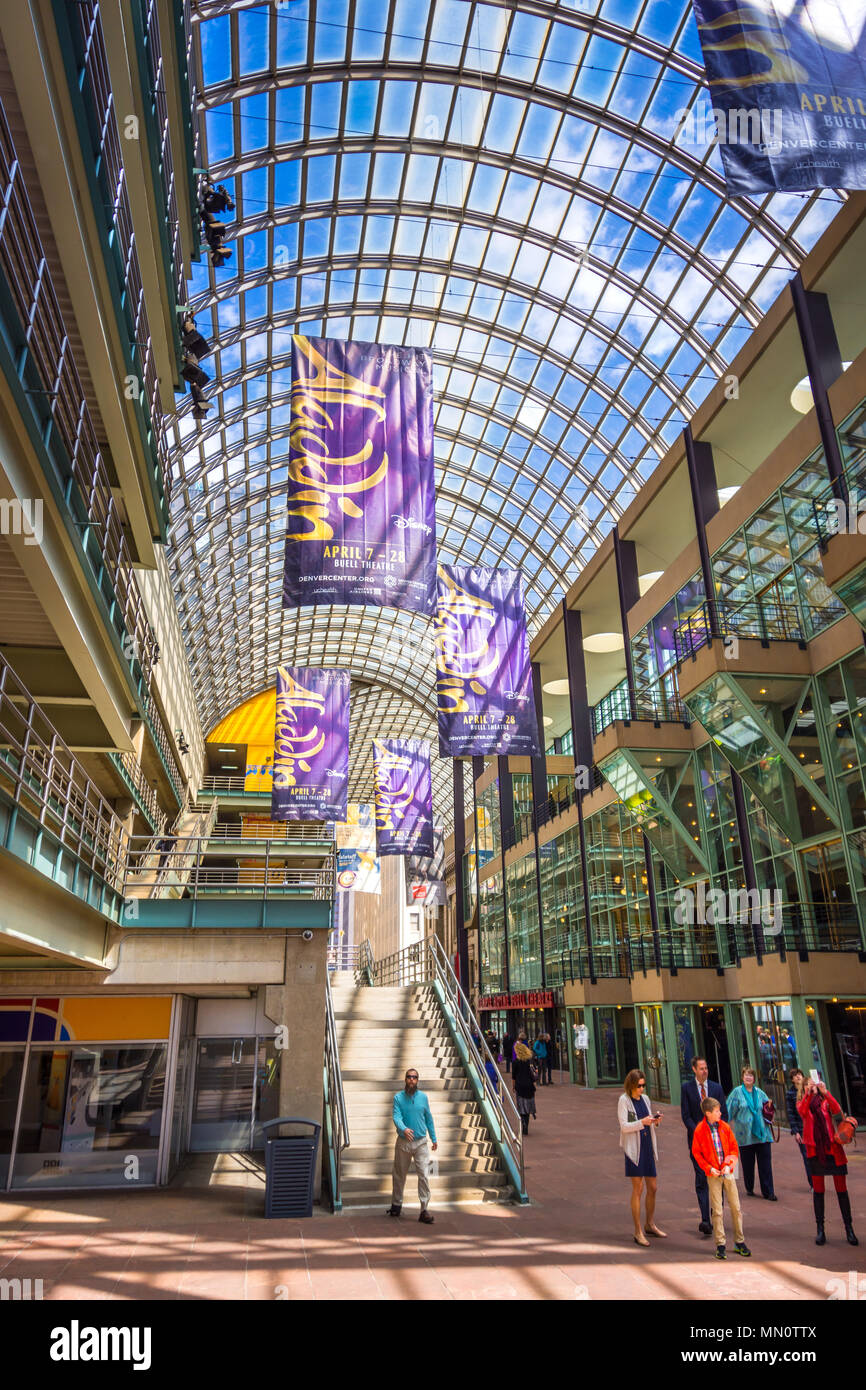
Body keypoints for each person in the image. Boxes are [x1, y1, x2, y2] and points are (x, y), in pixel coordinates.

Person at [797, 1076, 858, 1246]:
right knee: (819, 1191)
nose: (812, 1085)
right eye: (808, 1083)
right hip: (815, 1151)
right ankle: (820, 1229)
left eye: (813, 1082)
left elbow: (837, 1110)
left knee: (842, 1191)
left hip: (832, 1148)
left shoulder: (825, 1101)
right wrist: (809, 1094)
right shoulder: (803, 1102)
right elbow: (802, 1112)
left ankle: (849, 1229)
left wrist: (825, 1092)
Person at [691, 1096, 751, 1259]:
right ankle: (721, 1244)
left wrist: (728, 1165)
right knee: (717, 1210)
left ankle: (739, 1241)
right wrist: (709, 1168)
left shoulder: (724, 1127)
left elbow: (733, 1148)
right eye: (717, 1111)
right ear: (708, 1113)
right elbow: (697, 1153)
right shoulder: (699, 1130)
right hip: (713, 1174)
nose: (720, 1113)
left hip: (727, 1171)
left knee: (736, 1208)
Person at [681, 1056, 729, 1236]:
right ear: (694, 1069)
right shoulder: (687, 1088)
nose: (704, 1071)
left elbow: (723, 1114)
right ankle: (705, 1219)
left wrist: (715, 1130)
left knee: (717, 1180)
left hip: (717, 1143)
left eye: (706, 1068)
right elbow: (686, 1115)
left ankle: (716, 1215)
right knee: (701, 1179)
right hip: (697, 1143)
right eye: (701, 1068)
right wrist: (699, 1132)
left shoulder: (716, 1088)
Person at [618, 1068, 666, 1247]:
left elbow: (648, 1120)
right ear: (631, 1085)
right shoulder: (624, 1100)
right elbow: (624, 1126)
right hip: (634, 1149)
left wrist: (655, 1121)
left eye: (644, 1085)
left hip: (647, 1146)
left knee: (653, 1187)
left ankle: (650, 1223)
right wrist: (642, 1123)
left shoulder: (645, 1099)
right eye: (639, 1086)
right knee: (638, 1189)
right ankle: (638, 1230)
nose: (642, 1089)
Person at [387, 1068, 438, 1224]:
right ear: (405, 1079)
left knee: (424, 1175)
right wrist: (404, 1128)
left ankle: (424, 1210)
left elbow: (428, 1117)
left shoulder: (423, 1097)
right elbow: (396, 1116)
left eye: (414, 1077)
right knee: (399, 1174)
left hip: (421, 1142)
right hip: (403, 1142)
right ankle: (396, 1205)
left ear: (417, 1080)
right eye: (409, 1077)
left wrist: (434, 1138)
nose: (411, 1079)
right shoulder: (398, 1098)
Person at [727, 1066, 777, 1201]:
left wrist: (771, 1108)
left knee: (765, 1164)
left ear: (754, 1078)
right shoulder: (736, 1093)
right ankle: (749, 1187)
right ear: (742, 1077)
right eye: (746, 1075)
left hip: (763, 1134)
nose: (749, 1077)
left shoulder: (759, 1092)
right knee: (748, 1164)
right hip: (745, 1136)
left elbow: (768, 1107)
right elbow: (728, 1110)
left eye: (751, 1075)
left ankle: (768, 1192)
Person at [785, 1068, 812, 1189]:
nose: (798, 1077)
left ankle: (818, 1180)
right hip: (801, 1129)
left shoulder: (810, 1091)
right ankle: (813, 1183)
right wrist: (795, 1131)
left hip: (812, 1127)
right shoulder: (791, 1094)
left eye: (800, 1075)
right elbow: (790, 1113)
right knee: (807, 1156)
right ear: (792, 1080)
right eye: (795, 1076)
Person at [512, 1041, 537, 1135]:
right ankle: (526, 1123)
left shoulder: (515, 1062)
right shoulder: (529, 1061)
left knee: (521, 1106)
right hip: (530, 1086)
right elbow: (534, 1072)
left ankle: (523, 1123)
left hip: (520, 1086)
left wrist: (513, 1086)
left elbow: (514, 1076)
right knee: (528, 1107)